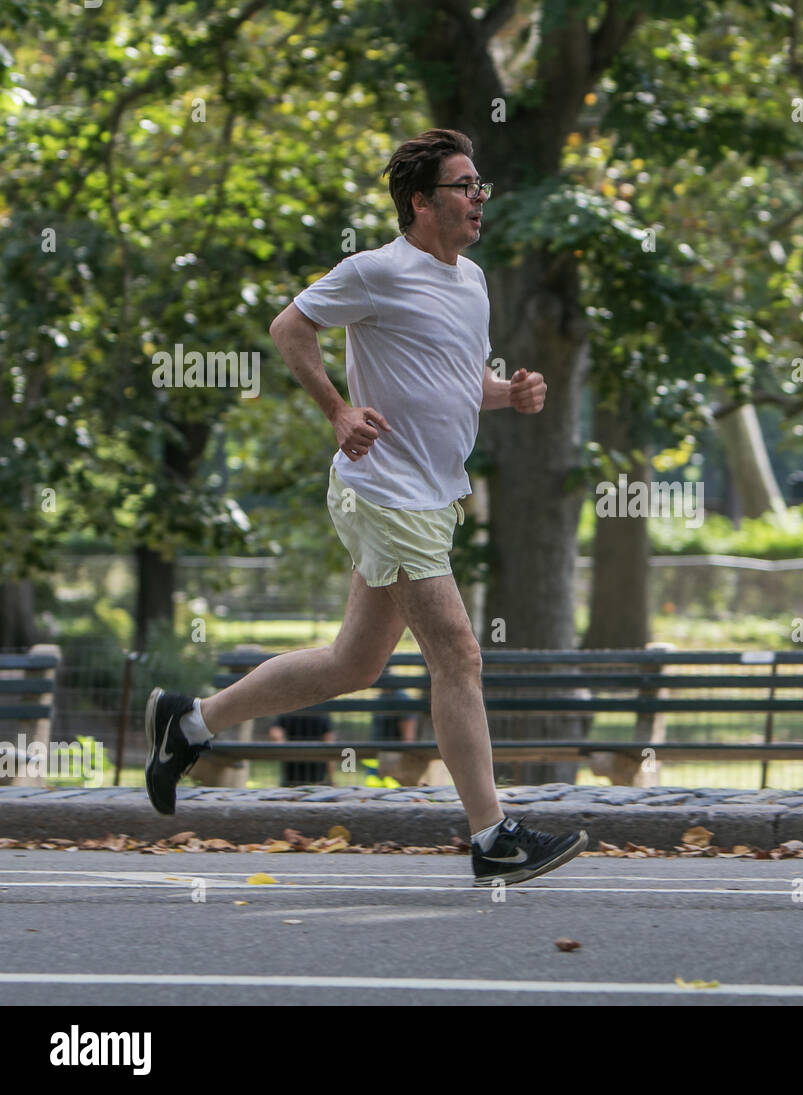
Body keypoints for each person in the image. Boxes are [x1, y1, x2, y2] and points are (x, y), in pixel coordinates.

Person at [141, 129, 587, 886]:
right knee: (458, 652)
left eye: (481, 185)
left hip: (433, 494)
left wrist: (506, 393)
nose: (480, 198)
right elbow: (290, 329)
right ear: (421, 202)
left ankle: (190, 721)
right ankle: (492, 836)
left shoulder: (472, 281)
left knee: (355, 663)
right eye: (464, 186)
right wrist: (338, 411)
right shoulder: (376, 270)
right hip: (382, 487)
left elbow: (456, 377)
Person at [268, 711, 333, 787]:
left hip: (292, 768)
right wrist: (331, 779)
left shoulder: (291, 710)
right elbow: (328, 744)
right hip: (316, 769)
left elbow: (275, 731)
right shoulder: (322, 713)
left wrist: (282, 745)